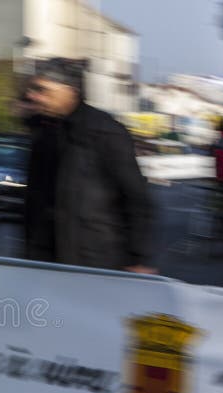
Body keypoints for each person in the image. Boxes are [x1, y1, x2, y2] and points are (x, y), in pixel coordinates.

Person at [23, 58, 155, 273]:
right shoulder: (44, 133)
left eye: (41, 89)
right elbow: (34, 202)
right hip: (48, 262)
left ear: (69, 90)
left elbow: (137, 200)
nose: (33, 96)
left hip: (97, 264)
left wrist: (138, 258)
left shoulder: (105, 132)